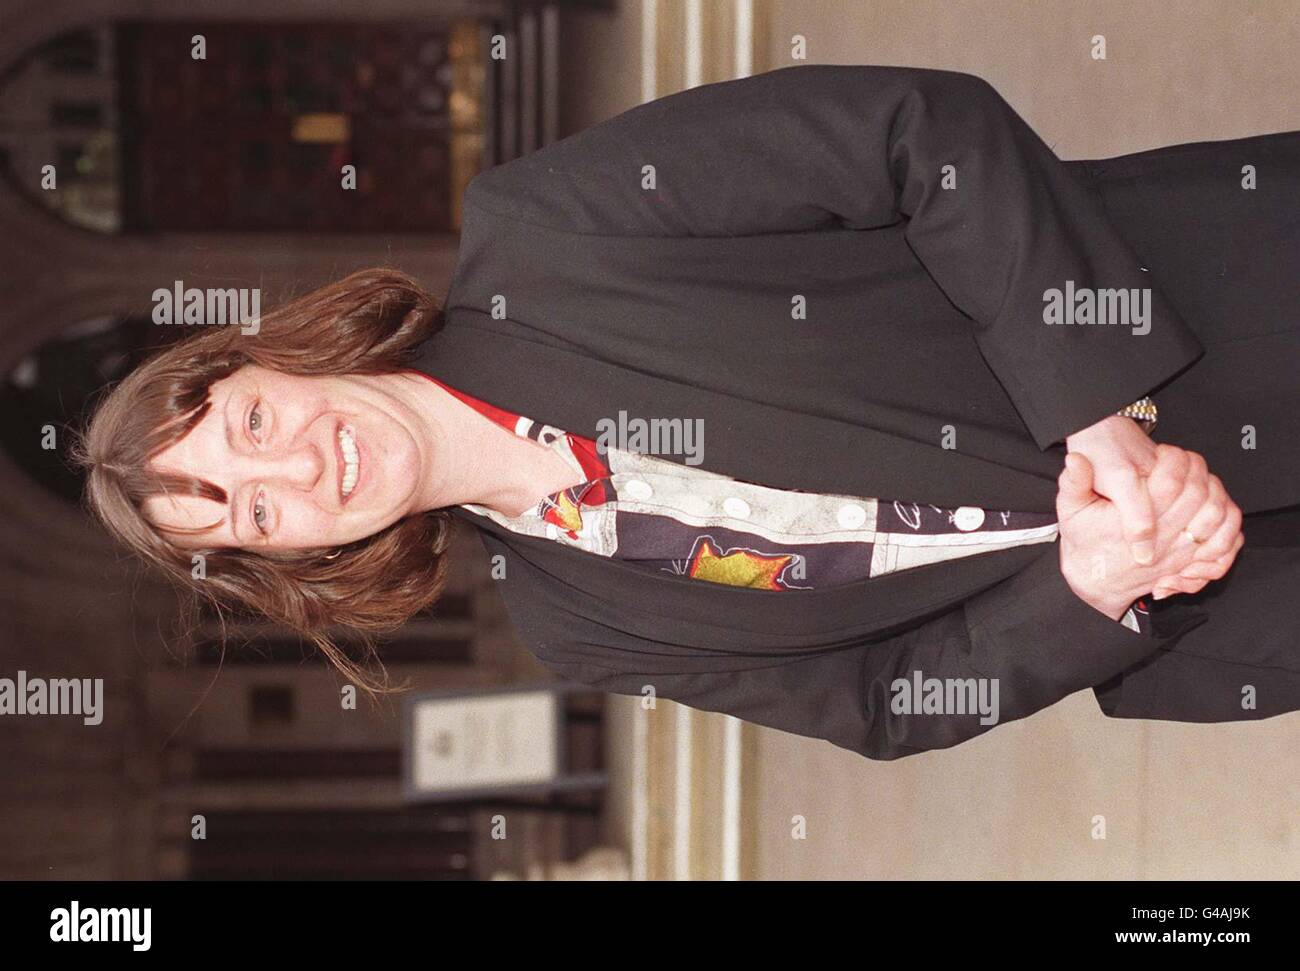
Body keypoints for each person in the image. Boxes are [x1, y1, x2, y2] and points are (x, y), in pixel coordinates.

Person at [74, 65, 1300, 760]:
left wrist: (1096, 414)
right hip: (1236, 601)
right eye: (251, 512)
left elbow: (918, 134)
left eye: (243, 426)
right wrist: (1088, 588)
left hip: (1239, 314)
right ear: (288, 559)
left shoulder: (553, 230)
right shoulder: (582, 629)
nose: (293, 468)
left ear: (270, 358)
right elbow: (882, 699)